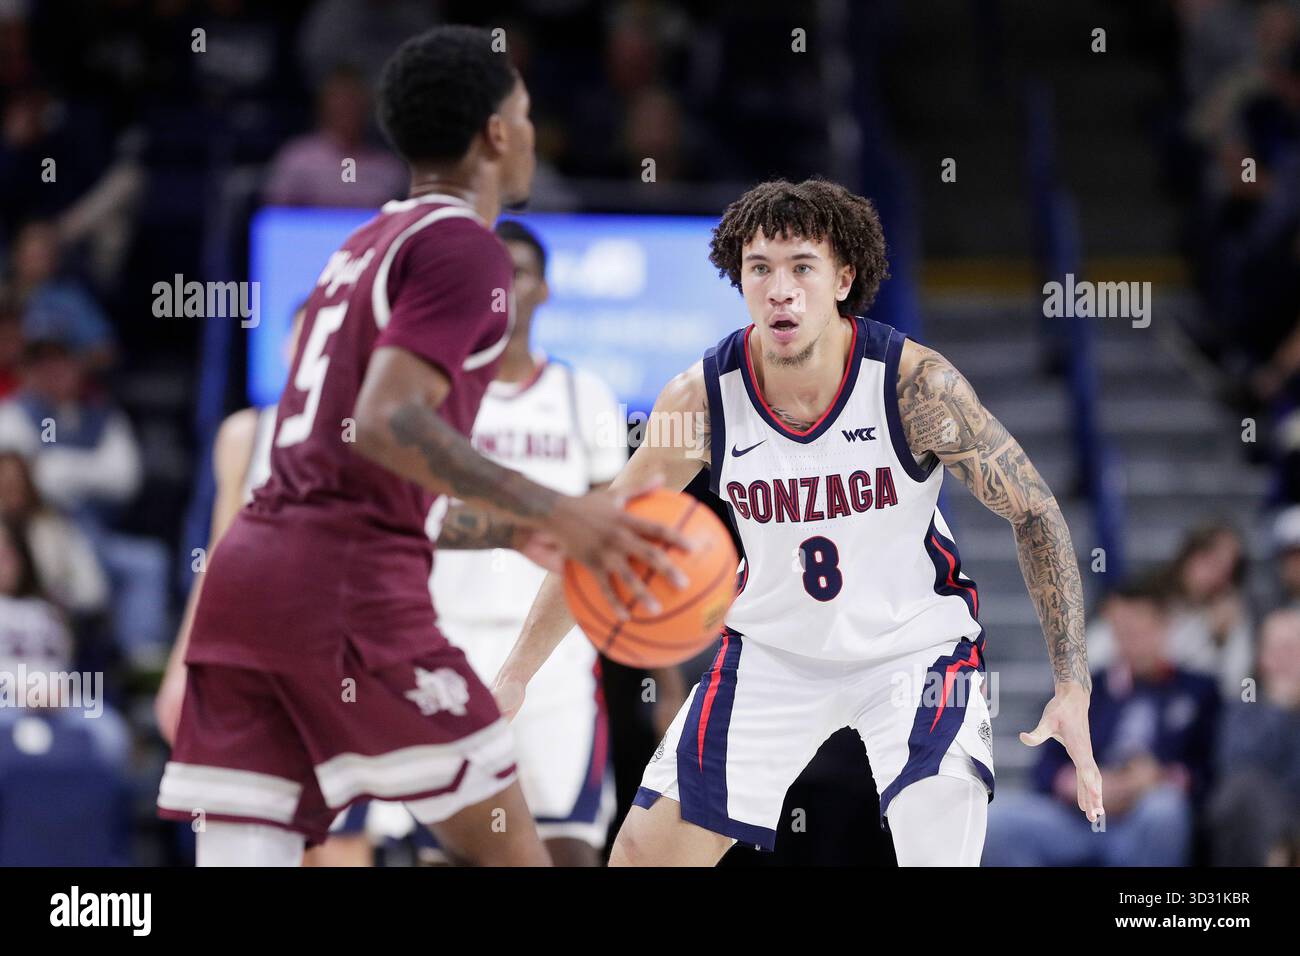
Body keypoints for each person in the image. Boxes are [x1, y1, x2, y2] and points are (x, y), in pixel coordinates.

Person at [155, 25, 687, 868]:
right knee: (519, 858)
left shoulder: (361, 245)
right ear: (498, 133)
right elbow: (387, 420)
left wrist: (510, 531)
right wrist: (560, 511)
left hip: (249, 587)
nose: (534, 131)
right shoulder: (463, 245)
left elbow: (357, 464)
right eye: (526, 112)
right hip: (348, 592)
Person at [492, 178, 1103, 866]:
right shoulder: (702, 398)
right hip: (773, 653)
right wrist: (515, 674)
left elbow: (1036, 511)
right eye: (760, 269)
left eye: (801, 268)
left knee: (937, 844)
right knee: (640, 855)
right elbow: (596, 535)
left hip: (914, 650)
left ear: (843, 278)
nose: (780, 288)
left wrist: (1072, 685)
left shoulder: (914, 388)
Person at [426, 219, 682, 865]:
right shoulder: (433, 398)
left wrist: (667, 678)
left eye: (519, 274)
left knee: (566, 850)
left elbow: (620, 549)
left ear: (543, 289)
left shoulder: (584, 397)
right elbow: (403, 528)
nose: (504, 291)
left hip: (556, 661)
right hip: (443, 647)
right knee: (443, 854)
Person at [983, 578, 1219, 867]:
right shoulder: (1086, 689)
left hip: (1143, 820)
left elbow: (1209, 772)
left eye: (1138, 631)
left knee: (1164, 810)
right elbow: (1045, 769)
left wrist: (1157, 778)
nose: (1128, 642)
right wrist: (1078, 784)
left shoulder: (1198, 690)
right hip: (1079, 819)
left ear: (1163, 627)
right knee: (998, 820)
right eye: (1120, 633)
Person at [1209, 607, 1300, 866]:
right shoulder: (1244, 706)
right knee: (1244, 790)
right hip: (1259, 826)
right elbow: (1235, 769)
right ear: (1262, 658)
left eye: (1293, 649)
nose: (1286, 660)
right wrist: (1280, 711)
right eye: (1278, 650)